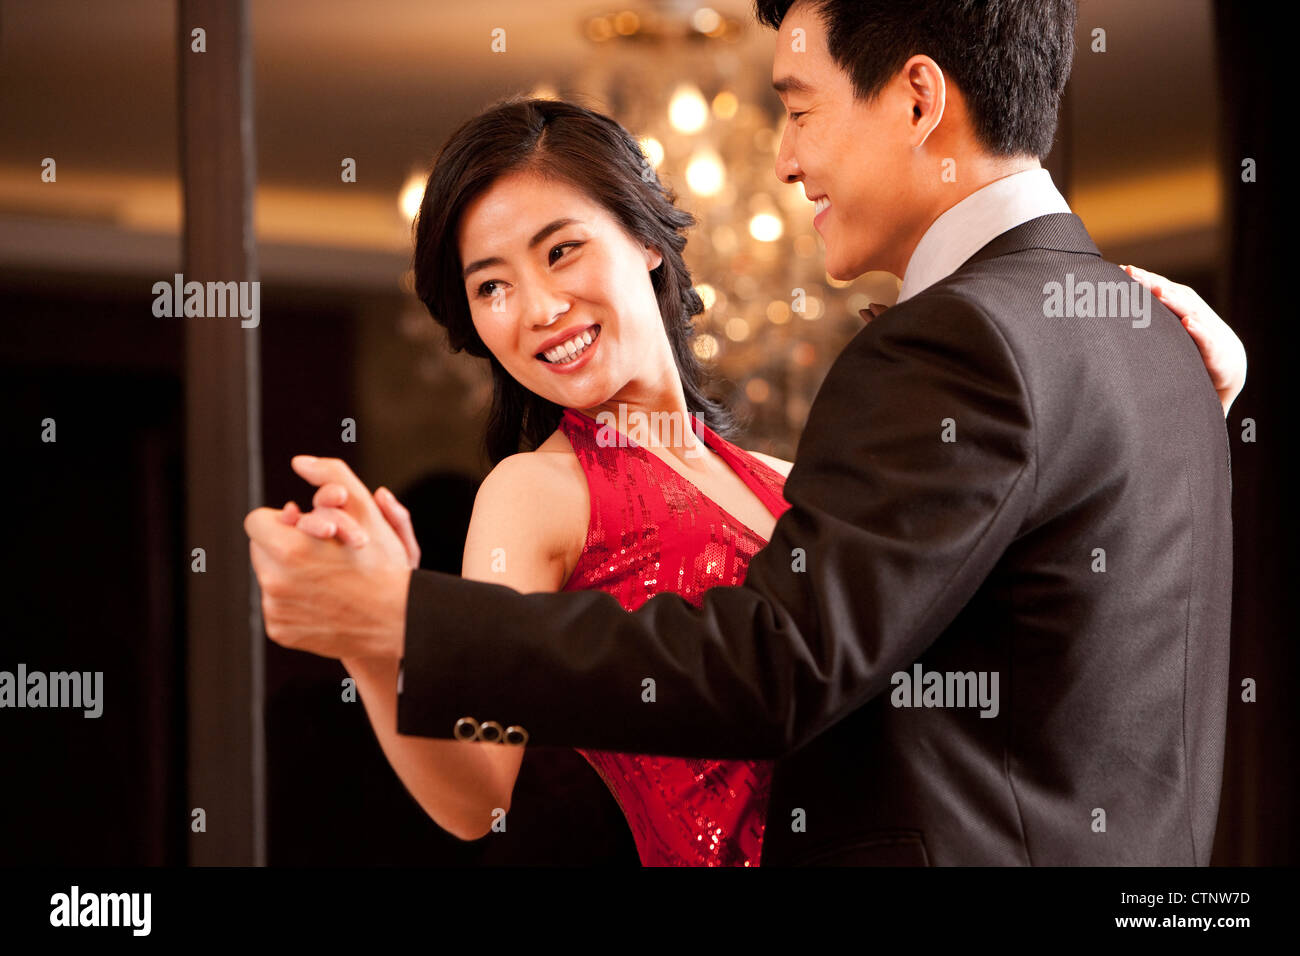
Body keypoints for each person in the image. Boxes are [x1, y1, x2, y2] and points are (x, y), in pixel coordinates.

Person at [246, 0, 1244, 865]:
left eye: (561, 250)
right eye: (490, 287)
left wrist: (399, 619)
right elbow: (480, 795)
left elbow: (825, 652)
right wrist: (382, 638)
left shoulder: (803, 463)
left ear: (645, 240)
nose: (536, 306)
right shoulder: (534, 489)